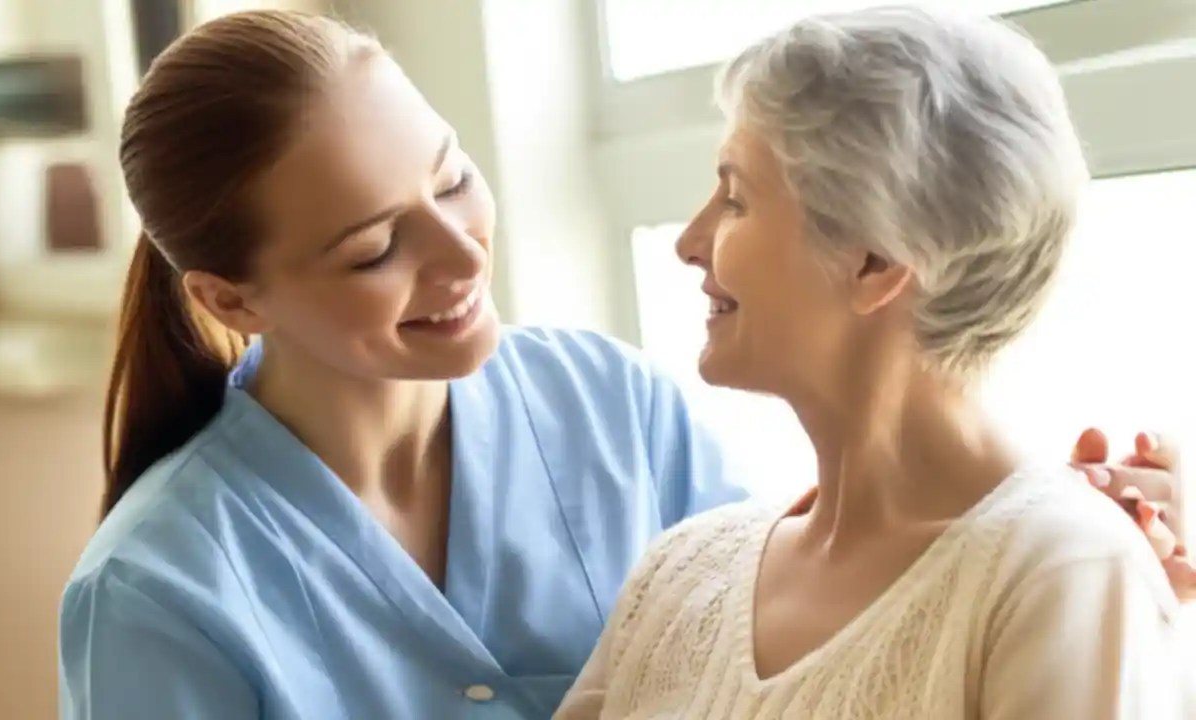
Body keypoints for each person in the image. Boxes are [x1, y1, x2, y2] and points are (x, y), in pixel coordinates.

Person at [58, 10, 1187, 720]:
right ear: (230, 299)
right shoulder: (157, 591)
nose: (464, 255)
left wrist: (1045, 556)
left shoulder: (613, 411)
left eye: (452, 179)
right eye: (372, 248)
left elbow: (865, 615)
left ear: (881, 260)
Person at [555, 7, 1193, 719]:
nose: (690, 242)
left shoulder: (1062, 569)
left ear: (876, 260)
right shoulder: (678, 572)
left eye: (735, 200)